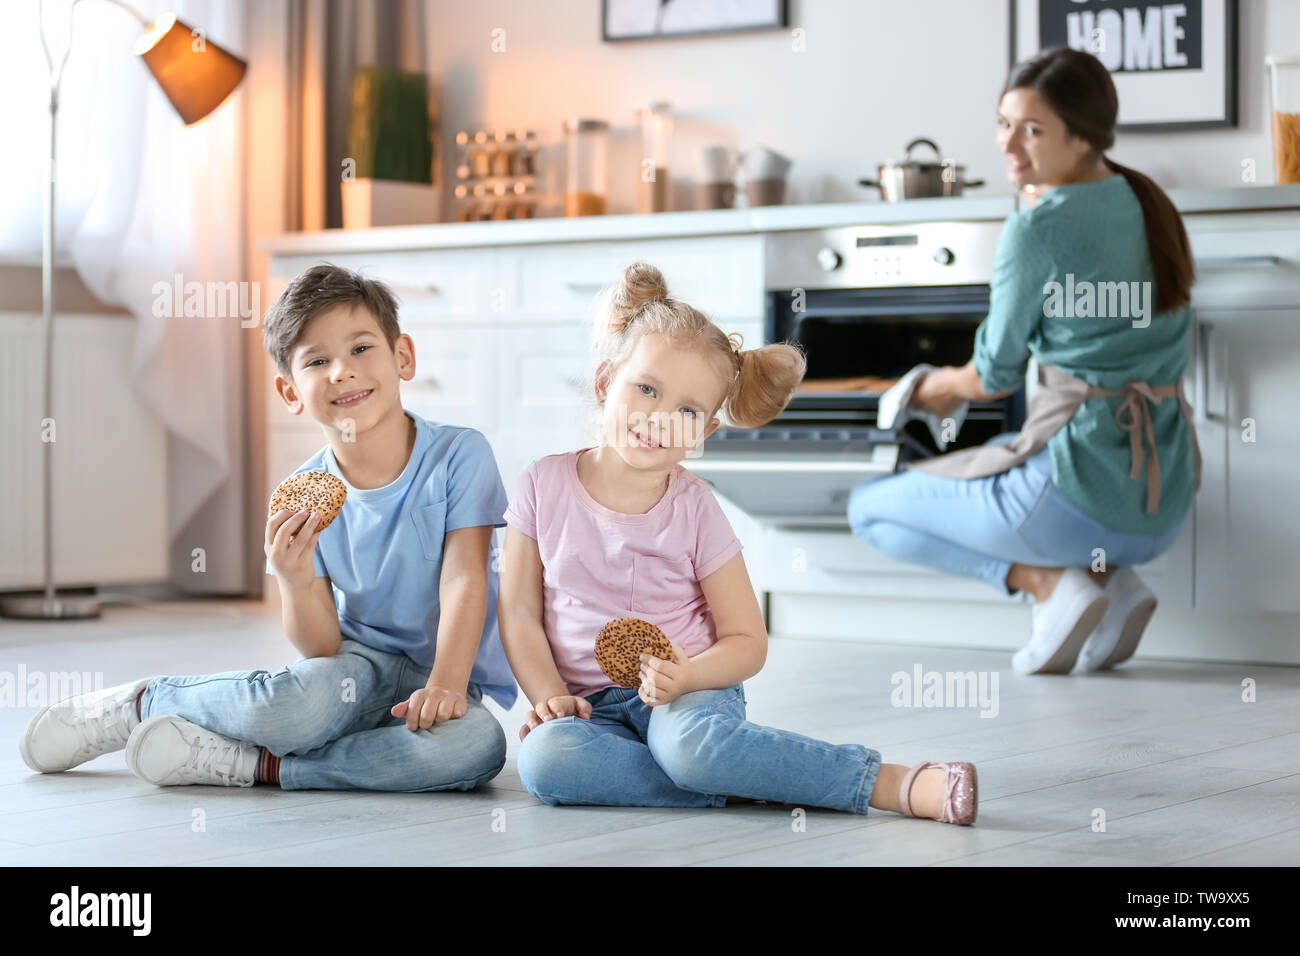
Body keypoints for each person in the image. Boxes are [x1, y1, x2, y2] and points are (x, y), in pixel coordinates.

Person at [497, 261, 978, 824]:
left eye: (687, 411)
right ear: (606, 383)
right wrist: (549, 695)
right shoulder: (541, 484)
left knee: (688, 748)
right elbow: (519, 612)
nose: (659, 418)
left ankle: (884, 782)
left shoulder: (696, 508)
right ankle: (749, 775)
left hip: (690, 694)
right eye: (646, 388)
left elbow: (748, 640)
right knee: (546, 762)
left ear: (705, 432)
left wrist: (691, 674)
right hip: (590, 709)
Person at [20, 264, 516, 790]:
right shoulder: (302, 496)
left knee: (477, 747)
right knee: (295, 712)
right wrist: (294, 580)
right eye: (318, 360)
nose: (341, 371)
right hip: (353, 665)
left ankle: (250, 764)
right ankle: (143, 702)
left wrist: (445, 683)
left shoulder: (460, 455)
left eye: (361, 349)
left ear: (403, 357)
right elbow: (320, 646)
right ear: (290, 391)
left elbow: (464, 577)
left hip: (441, 674)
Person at [848, 46, 1200, 676]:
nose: (1011, 147)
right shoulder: (1151, 203)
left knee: (869, 507)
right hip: (1162, 507)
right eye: (1005, 124)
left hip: (1079, 505)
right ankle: (1114, 585)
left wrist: (931, 387)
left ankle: (1050, 587)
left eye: (1033, 130)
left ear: (1086, 138)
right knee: (1020, 449)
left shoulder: (1035, 228)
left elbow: (992, 376)